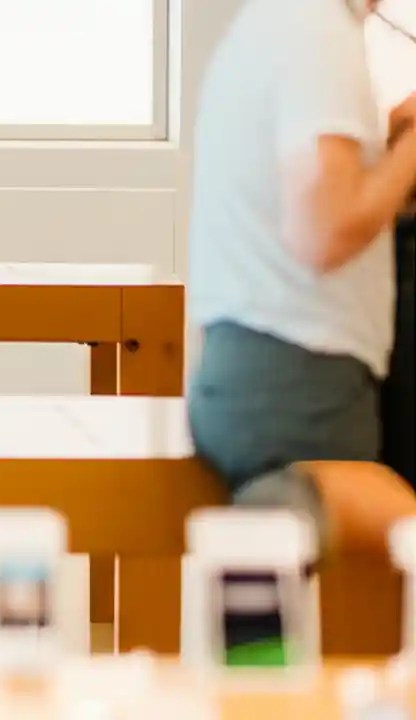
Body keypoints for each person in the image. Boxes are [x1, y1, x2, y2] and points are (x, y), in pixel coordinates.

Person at [187, 0, 416, 550]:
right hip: (295, 389)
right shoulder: (314, 33)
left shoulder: (290, 22)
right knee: (286, 569)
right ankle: (273, 522)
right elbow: (325, 231)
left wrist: (391, 146)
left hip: (266, 375)